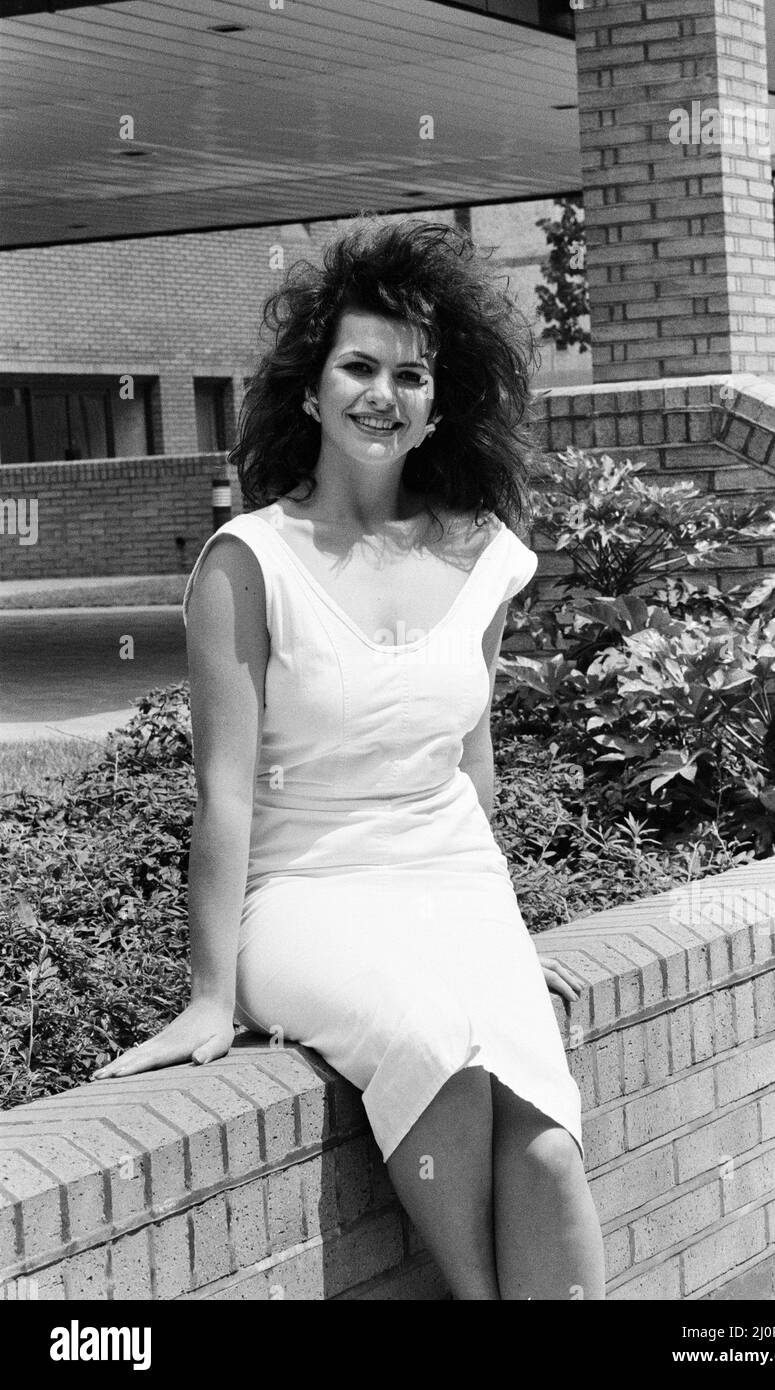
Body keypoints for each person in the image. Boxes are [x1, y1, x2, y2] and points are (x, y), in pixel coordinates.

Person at [92, 217, 605, 1301]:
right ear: (312, 393)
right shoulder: (250, 564)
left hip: (450, 878)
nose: (383, 392)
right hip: (307, 890)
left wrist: (500, 933)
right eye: (357, 367)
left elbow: (472, 769)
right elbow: (222, 791)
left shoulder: (481, 554)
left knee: (548, 1143)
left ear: (433, 404)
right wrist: (206, 993)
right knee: (437, 1055)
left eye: (408, 374)